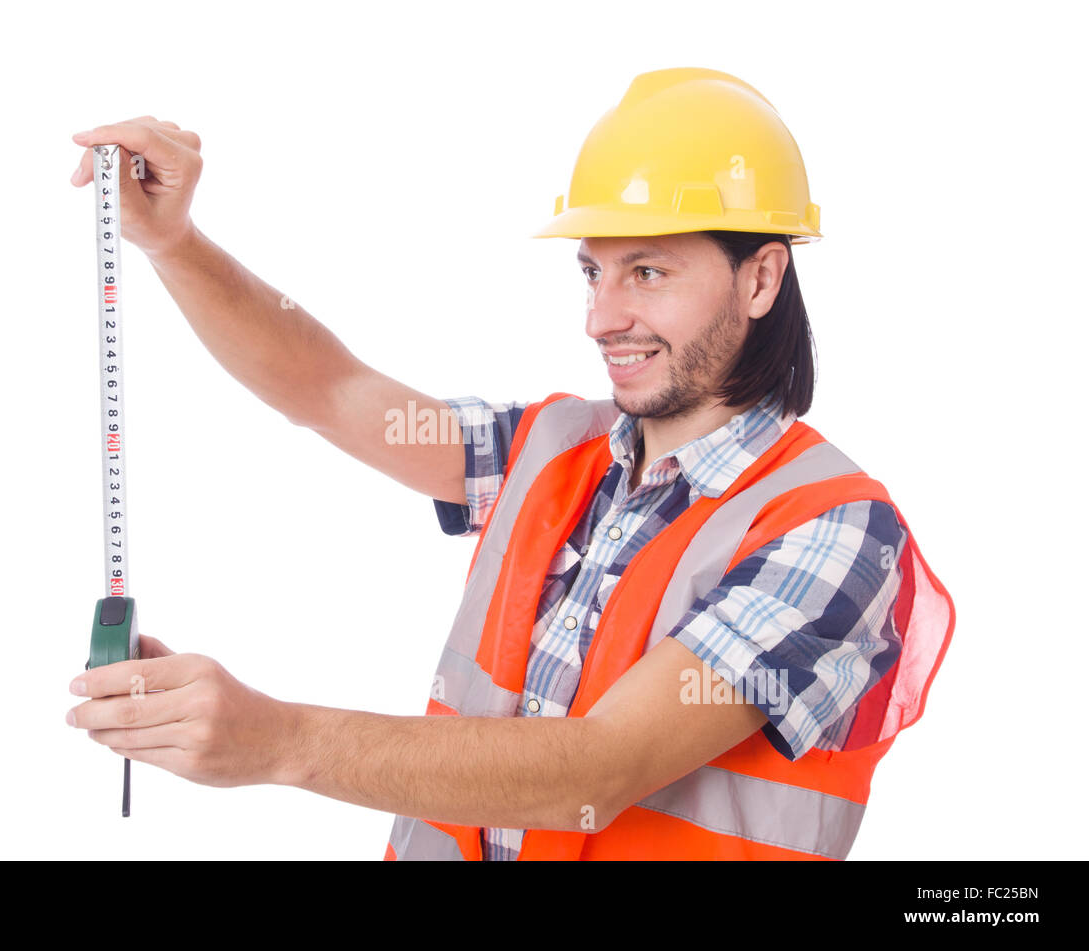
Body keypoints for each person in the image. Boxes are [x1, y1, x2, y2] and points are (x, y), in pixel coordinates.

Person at [64, 68, 955, 860]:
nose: (601, 319)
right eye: (593, 272)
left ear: (760, 280)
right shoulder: (553, 448)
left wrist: (275, 739)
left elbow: (600, 769)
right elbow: (330, 388)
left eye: (646, 272)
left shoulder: (835, 528)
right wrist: (174, 244)